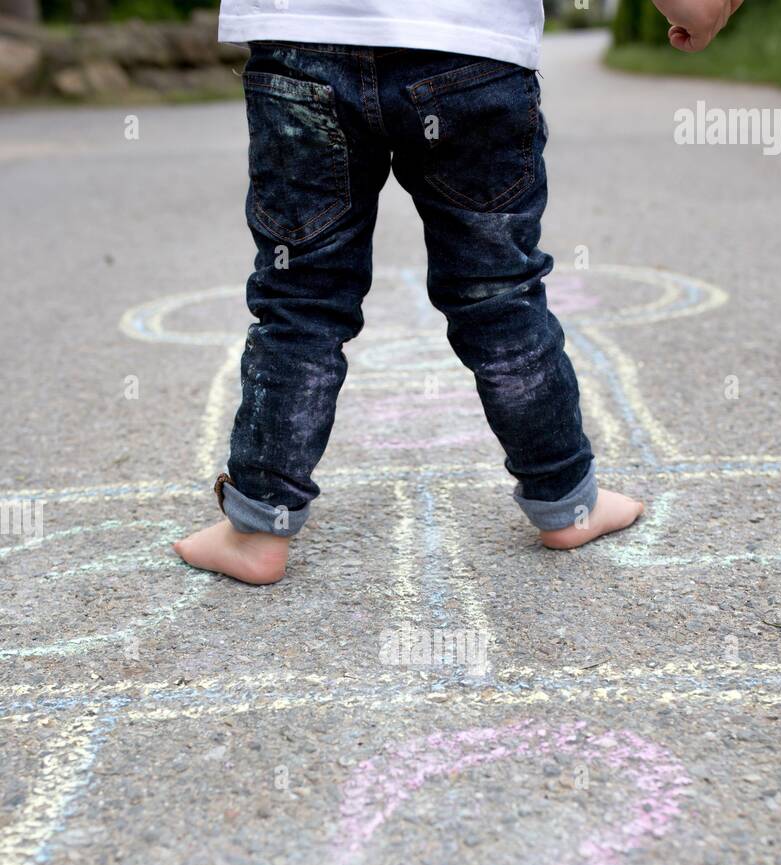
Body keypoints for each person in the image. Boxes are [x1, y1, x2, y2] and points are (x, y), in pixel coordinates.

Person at [174, 1, 744, 584]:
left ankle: (257, 529)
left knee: (301, 298)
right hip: (472, 46)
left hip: (302, 41)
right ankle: (566, 499)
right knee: (498, 293)